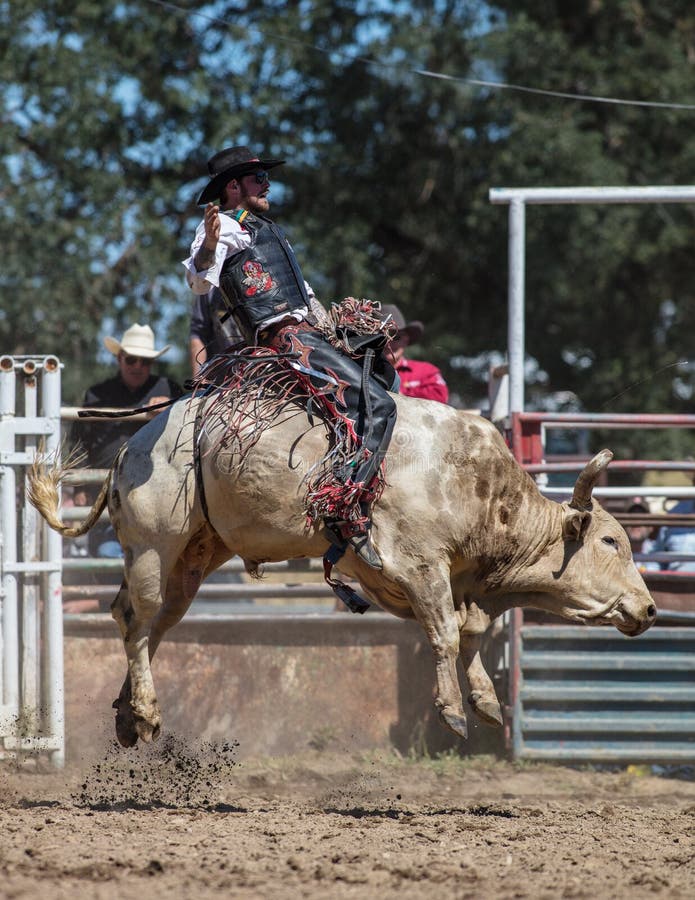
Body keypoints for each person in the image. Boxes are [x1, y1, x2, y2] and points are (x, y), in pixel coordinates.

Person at [182, 145, 396, 569]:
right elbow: (198, 281)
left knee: (384, 378)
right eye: (259, 179)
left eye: (266, 178)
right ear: (234, 186)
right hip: (284, 341)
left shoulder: (264, 229)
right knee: (381, 406)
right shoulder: (222, 227)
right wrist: (207, 246)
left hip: (307, 334)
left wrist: (338, 331)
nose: (267, 184)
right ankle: (345, 505)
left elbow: (304, 297)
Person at [72, 323, 184, 557]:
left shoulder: (169, 390)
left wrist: (172, 406)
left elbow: (189, 424)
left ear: (151, 363)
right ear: (120, 358)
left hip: (155, 493)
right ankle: (113, 592)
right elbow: (80, 439)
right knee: (108, 554)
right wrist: (80, 485)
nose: (138, 366)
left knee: (152, 557)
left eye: (145, 361)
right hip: (108, 491)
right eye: (132, 359)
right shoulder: (97, 394)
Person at [379, 304, 449, 403]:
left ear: (406, 340)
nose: (388, 343)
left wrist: (400, 393)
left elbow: (441, 395)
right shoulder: (360, 372)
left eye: (396, 337)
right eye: (382, 337)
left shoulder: (426, 371)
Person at [189, 286, 245, 376]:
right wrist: (198, 379)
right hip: (223, 377)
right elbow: (198, 334)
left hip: (260, 370)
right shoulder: (206, 287)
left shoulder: (258, 280)